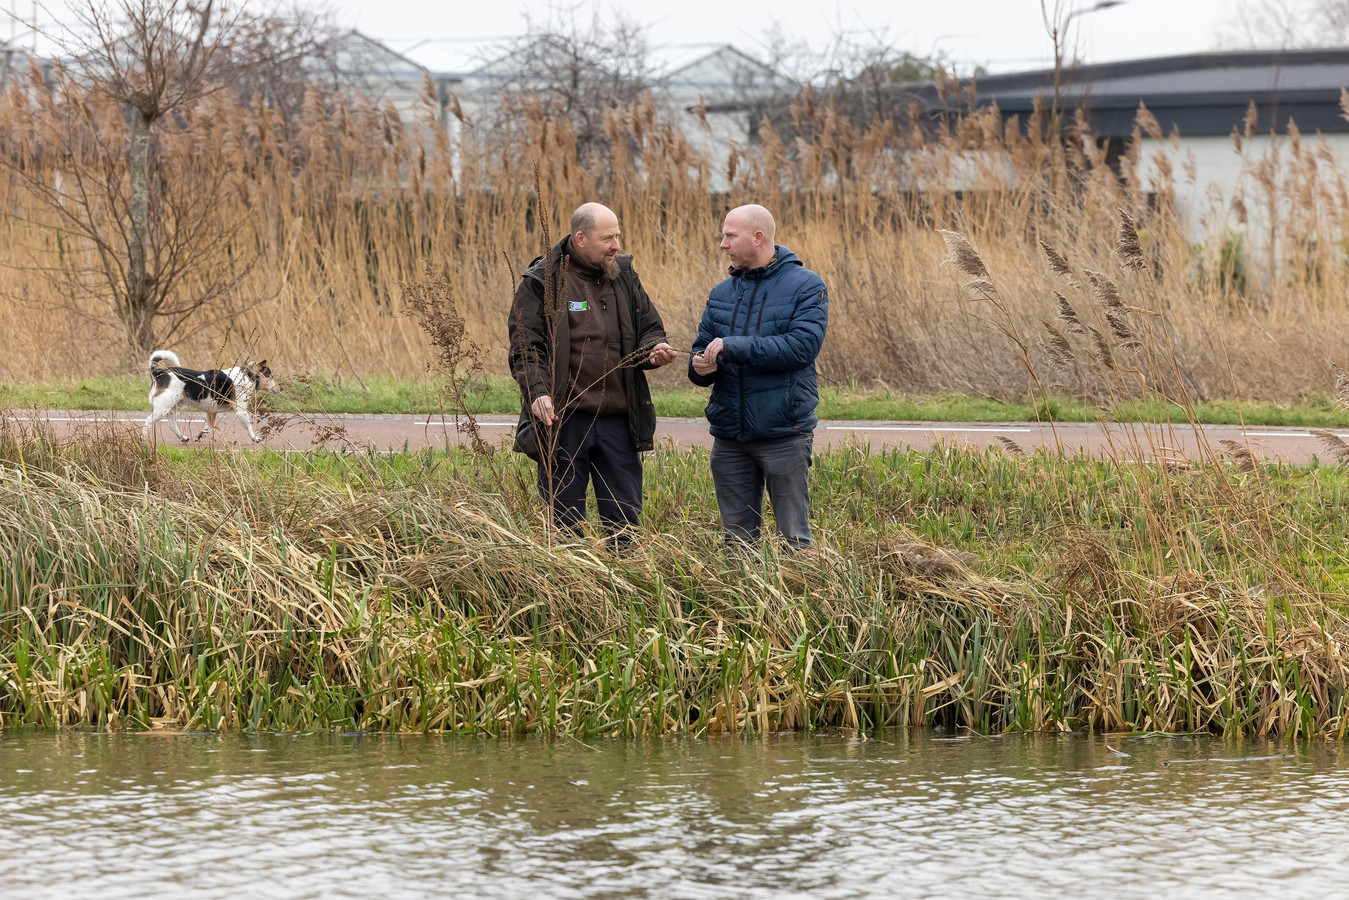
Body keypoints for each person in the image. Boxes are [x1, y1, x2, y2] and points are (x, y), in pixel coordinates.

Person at [509, 202, 678, 542]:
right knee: (564, 527)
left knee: (625, 526)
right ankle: (571, 588)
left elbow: (650, 328)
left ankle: (624, 588)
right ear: (581, 238)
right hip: (565, 421)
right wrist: (538, 392)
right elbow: (526, 348)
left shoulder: (624, 276)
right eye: (608, 239)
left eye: (618, 236)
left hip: (619, 420)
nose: (616, 246)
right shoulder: (541, 281)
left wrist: (654, 350)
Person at [688, 204, 828, 550]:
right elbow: (701, 350)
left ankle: (798, 601)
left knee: (794, 542)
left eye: (730, 236)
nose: (723, 243)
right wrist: (700, 368)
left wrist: (733, 347)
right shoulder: (721, 293)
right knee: (736, 544)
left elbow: (801, 347)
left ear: (758, 237)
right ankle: (744, 602)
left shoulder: (807, 286)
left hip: (783, 432)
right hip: (729, 436)